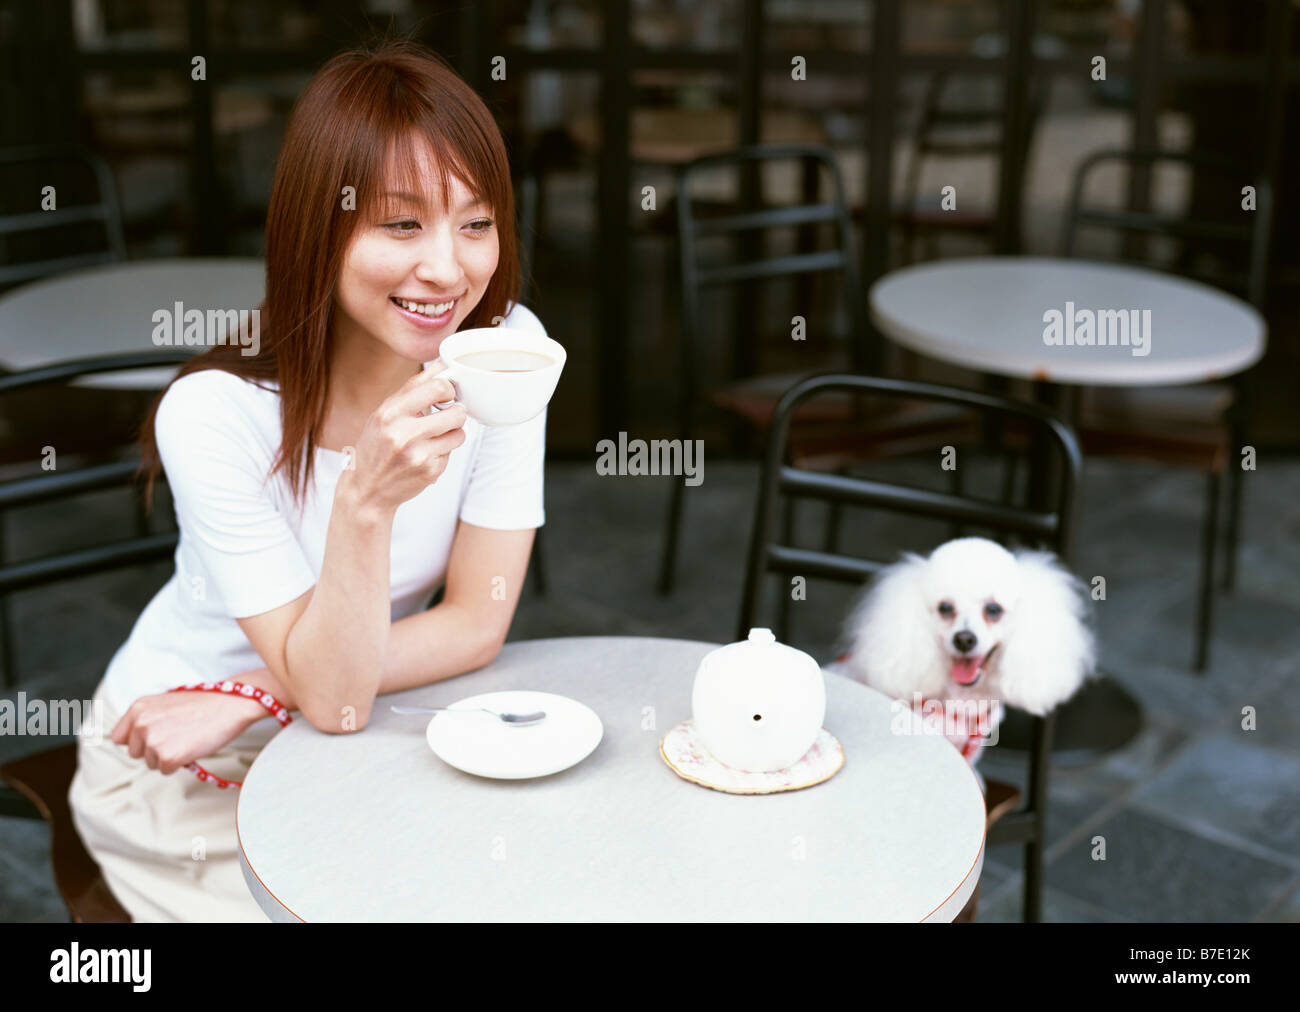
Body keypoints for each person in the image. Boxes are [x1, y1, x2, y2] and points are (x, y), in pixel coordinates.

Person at [67, 37, 546, 922]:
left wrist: (255, 689)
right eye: (402, 225)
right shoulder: (215, 414)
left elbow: (477, 624)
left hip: (351, 727)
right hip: (182, 770)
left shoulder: (505, 353)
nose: (449, 270)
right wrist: (365, 500)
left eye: (476, 222)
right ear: (316, 229)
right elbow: (333, 693)